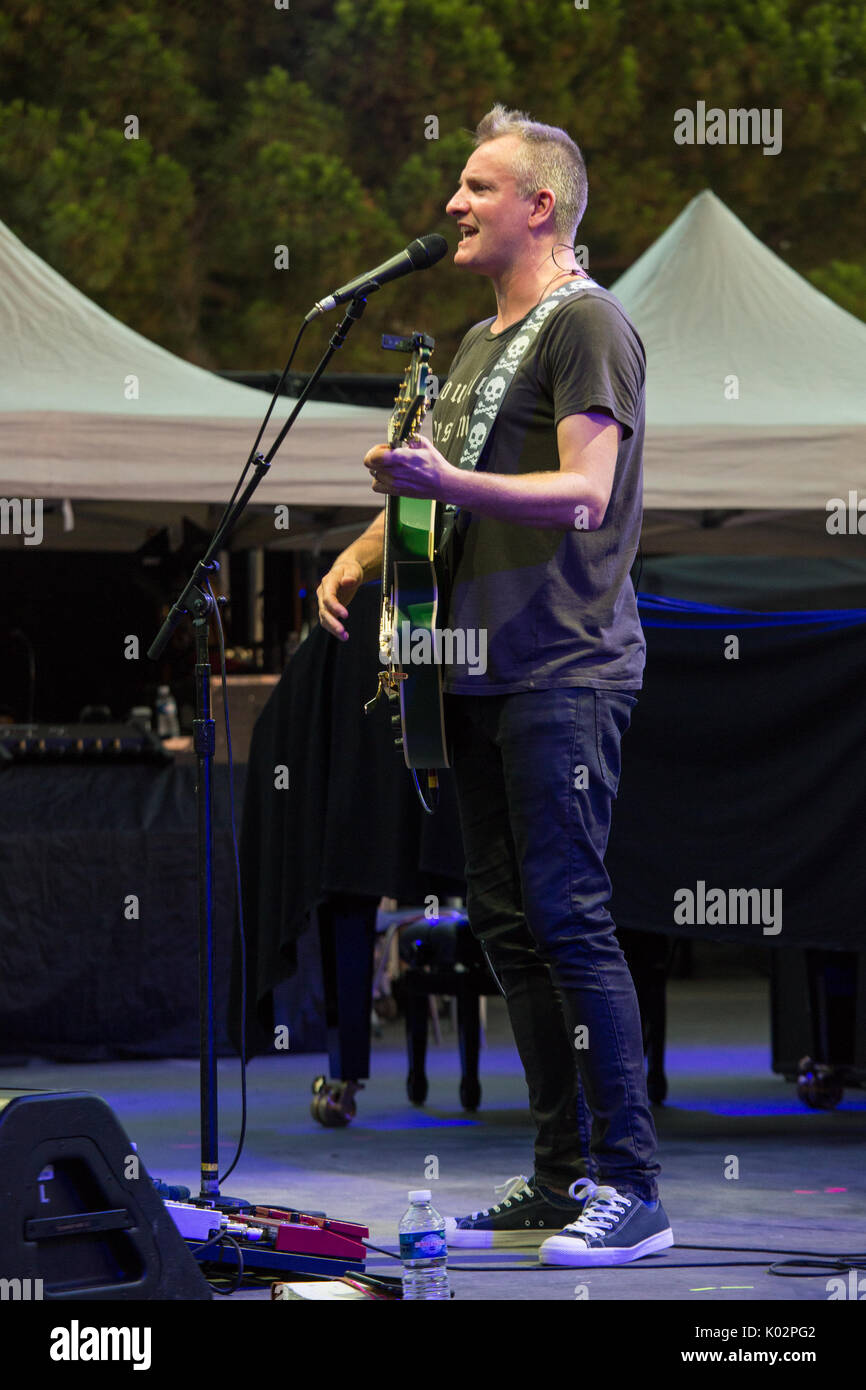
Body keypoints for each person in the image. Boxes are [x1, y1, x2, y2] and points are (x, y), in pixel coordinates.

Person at [316, 104, 672, 1267]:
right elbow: (434, 489)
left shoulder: (590, 326)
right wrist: (361, 553)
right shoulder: (476, 342)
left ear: (540, 207)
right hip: (468, 672)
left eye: (476, 186)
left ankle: (631, 1188)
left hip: (561, 667)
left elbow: (579, 490)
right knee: (512, 931)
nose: (453, 204)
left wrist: (446, 479)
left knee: (567, 919)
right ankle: (560, 1175)